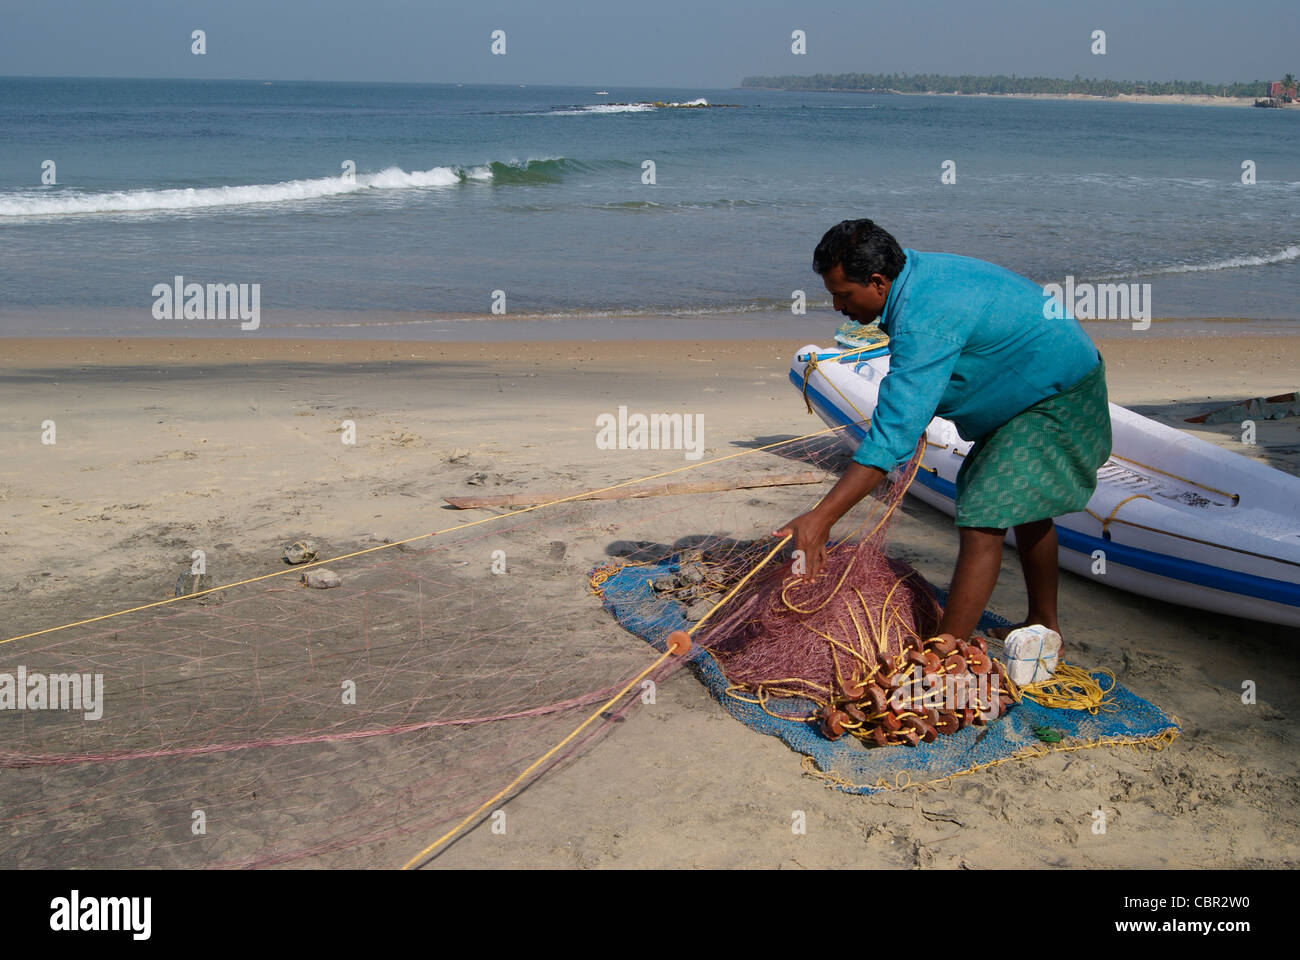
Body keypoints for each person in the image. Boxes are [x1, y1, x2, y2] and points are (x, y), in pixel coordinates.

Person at [776, 219, 1111, 644]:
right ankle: (1043, 626)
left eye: (843, 295)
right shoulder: (914, 274)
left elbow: (891, 438)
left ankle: (943, 655)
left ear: (878, 281)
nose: (839, 308)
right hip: (1035, 378)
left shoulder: (923, 319)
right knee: (1027, 505)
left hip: (1056, 392)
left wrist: (821, 518)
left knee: (982, 512)